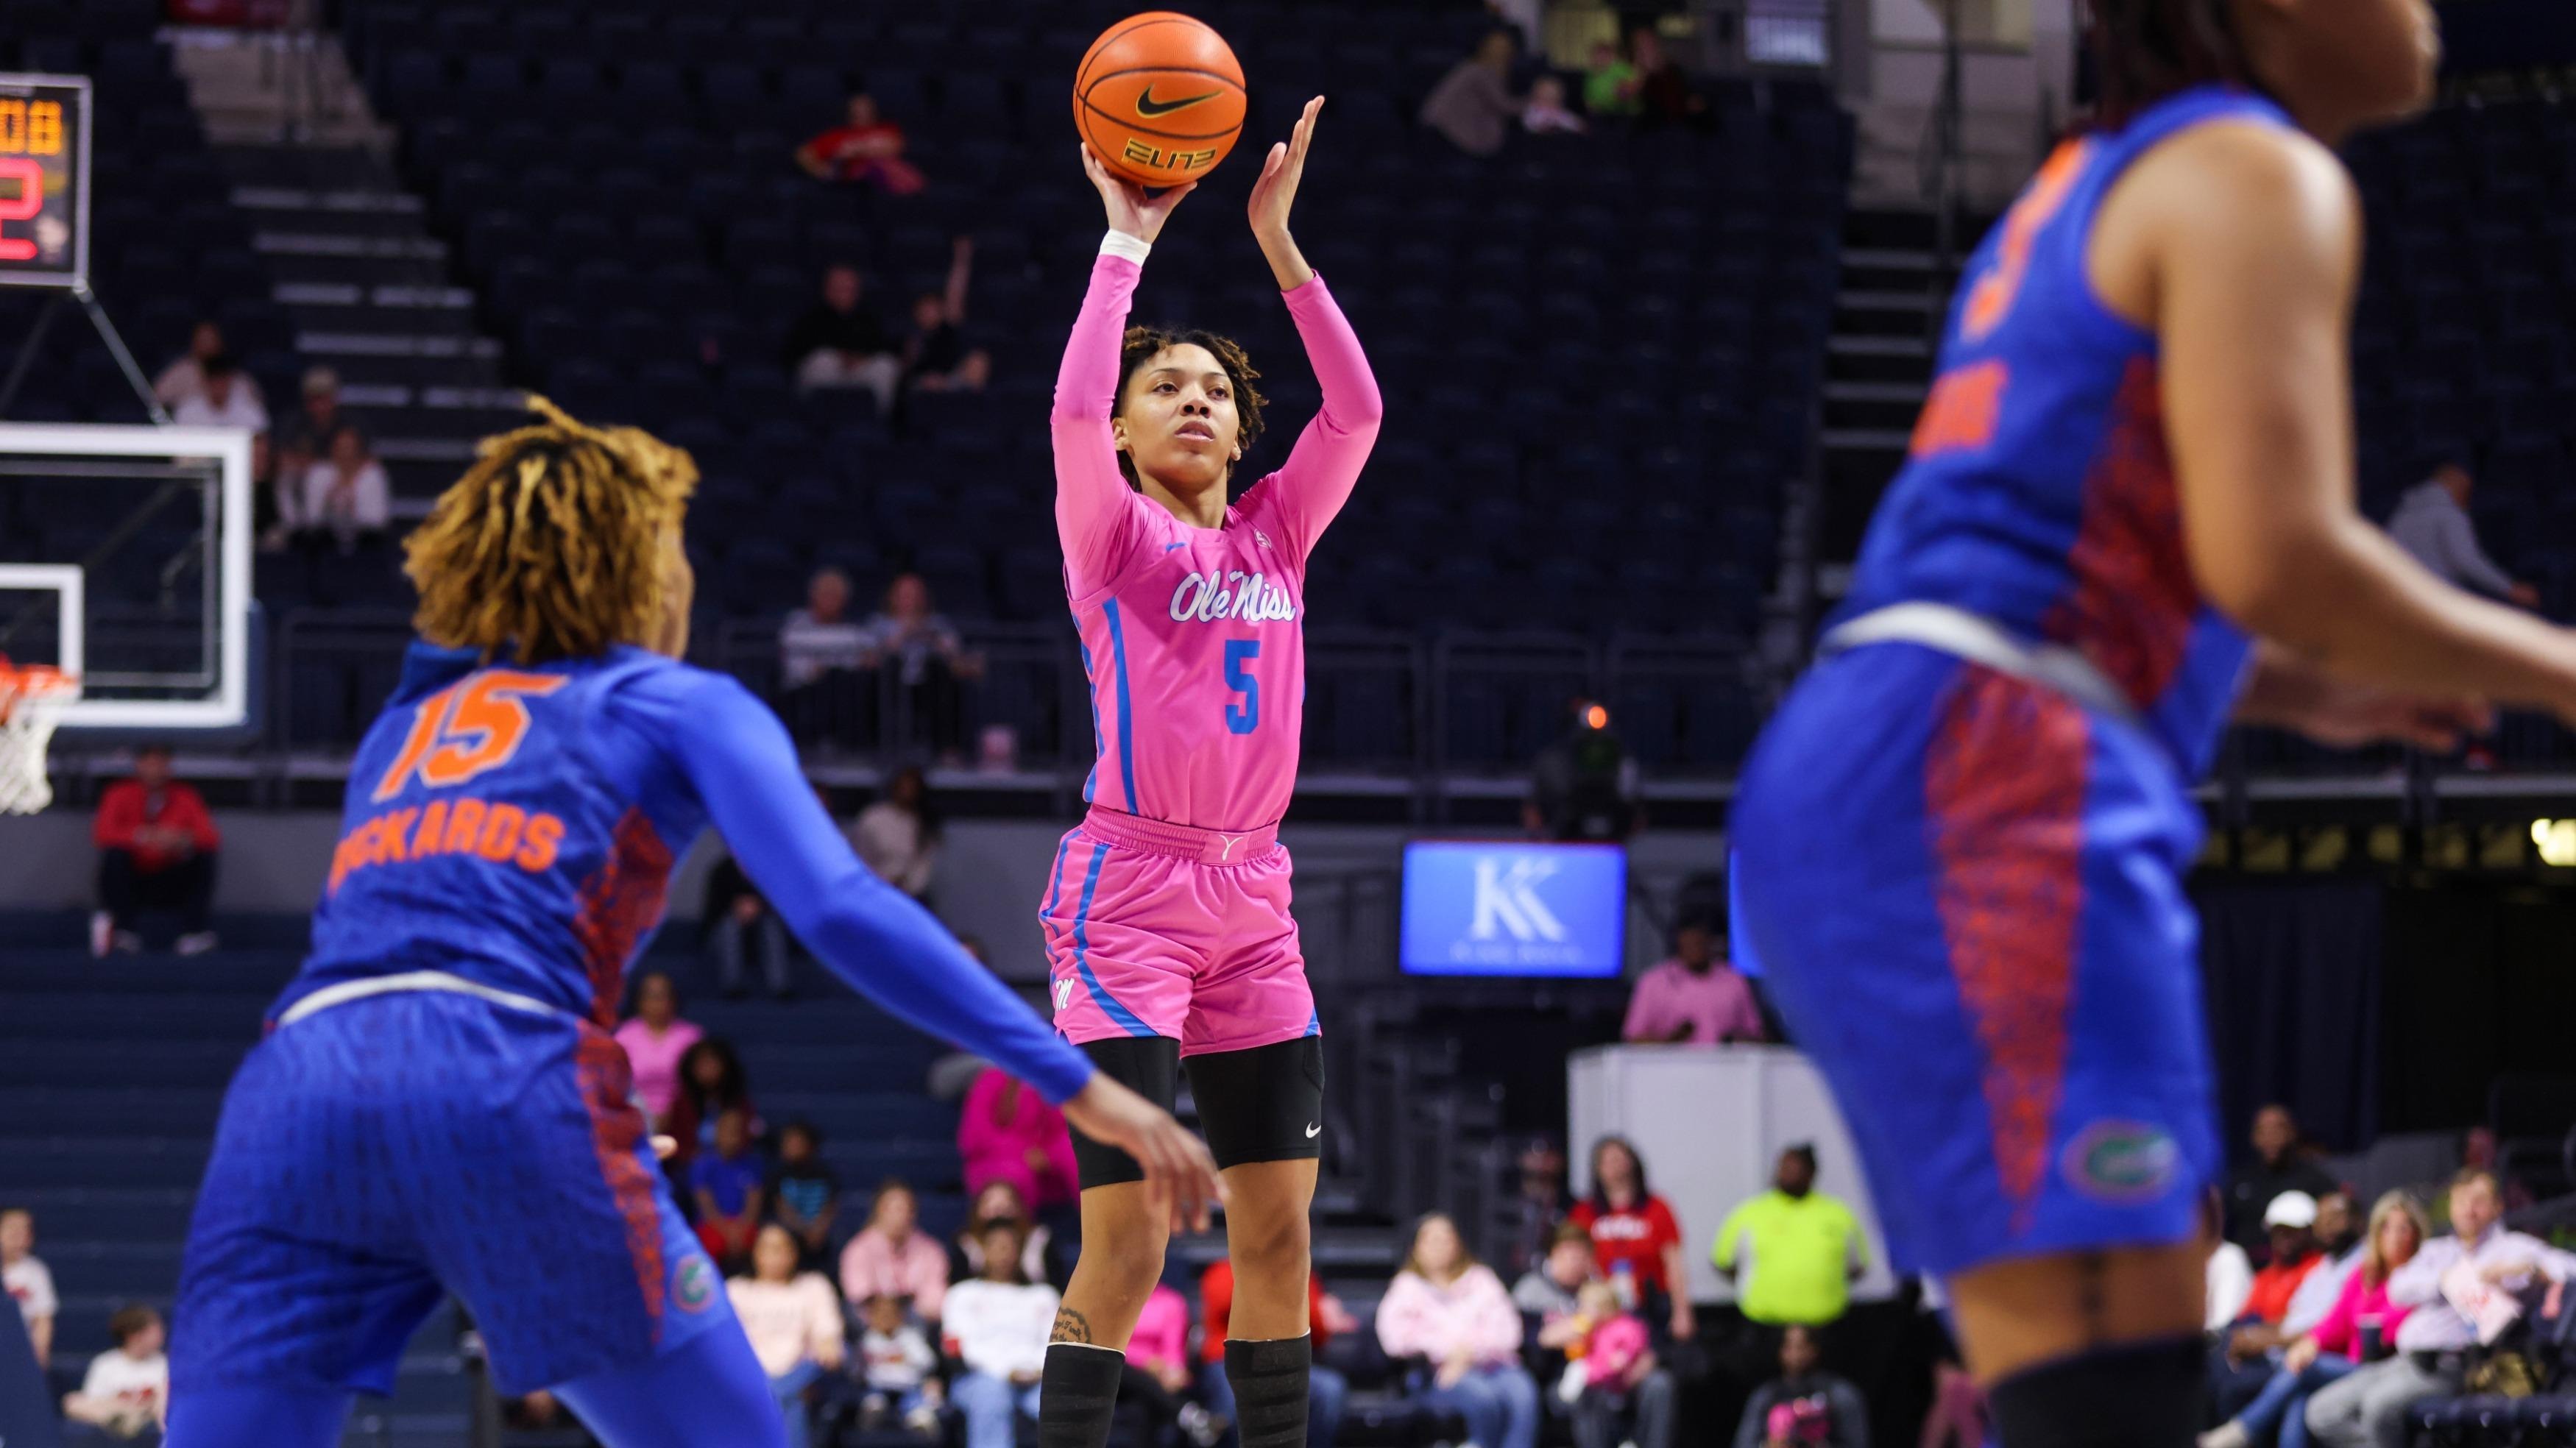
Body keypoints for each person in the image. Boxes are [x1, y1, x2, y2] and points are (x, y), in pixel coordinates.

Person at [1727, 3, 2549, 1438]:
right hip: (1980, 775)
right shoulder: (2250, 167)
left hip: (1901, 747)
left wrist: (2287, 684)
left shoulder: (2087, 177)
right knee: (2120, 1406)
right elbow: (2281, 558)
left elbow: (2066, 544)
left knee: (2087, 1395)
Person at [161, 397, 1218, 1448]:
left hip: (293, 1089)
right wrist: (1079, 1086)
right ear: (636, 566)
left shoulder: (403, 725)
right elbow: (843, 909)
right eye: (674, 546)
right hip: (496, 1067)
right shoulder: (671, 701)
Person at [1038, 98, 1381, 1448]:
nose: (1194, 399)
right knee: (1126, 1240)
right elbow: (1066, 402)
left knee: (1280, 1228)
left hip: (1254, 899)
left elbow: (1355, 409)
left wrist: (1280, 246)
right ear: (1125, 434)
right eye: (1165, 386)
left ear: (1241, 436)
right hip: (1125, 892)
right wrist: (1124, 244)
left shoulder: (1279, 536)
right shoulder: (1111, 538)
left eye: (1215, 391)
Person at [2301, 1170, 2576, 1448]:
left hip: (2457, 1367)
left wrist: (2533, 1271)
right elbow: (2399, 1287)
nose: (2469, 1210)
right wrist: (2448, 1279)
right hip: (2405, 1361)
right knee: (2322, 1412)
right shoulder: (2438, 1251)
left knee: (2378, 1409)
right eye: (2461, 1201)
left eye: (2478, 1201)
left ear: (2497, 1206)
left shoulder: (2514, 1249)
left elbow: (2566, 1266)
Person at [2199, 1192, 2427, 1448]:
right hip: (2354, 1364)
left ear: (2417, 1234)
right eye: (2386, 1228)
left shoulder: (2420, 1277)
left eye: (2403, 1229)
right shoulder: (2364, 1275)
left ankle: (2241, 1431)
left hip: (2391, 1369)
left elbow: (2403, 1329)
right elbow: (2336, 1321)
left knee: (2303, 1371)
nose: (2394, 1237)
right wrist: (2312, 1341)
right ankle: (2239, 1432)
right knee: (2300, 1399)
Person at [1376, 1213, 1540, 1448]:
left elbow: (1509, 1332)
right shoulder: (1406, 1287)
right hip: (1437, 1372)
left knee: (1524, 1395)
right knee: (1483, 1398)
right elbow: (1395, 1340)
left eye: (1446, 1238)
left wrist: (1469, 1353)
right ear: (1416, 1248)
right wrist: (1449, 1352)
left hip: (1495, 1366)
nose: (1439, 1245)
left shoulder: (1482, 1279)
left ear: (1458, 1244)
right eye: (1431, 1239)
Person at [2215, 1192, 2361, 1419]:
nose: (2328, 1226)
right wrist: (2250, 1336)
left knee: (2236, 1388)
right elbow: (2289, 1318)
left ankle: (2236, 1435)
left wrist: (2259, 1341)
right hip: (2283, 1351)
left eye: (2291, 1232)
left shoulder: (2360, 1266)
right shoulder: (2322, 1267)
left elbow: (2327, 1327)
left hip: (2315, 1355)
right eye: (2322, 1219)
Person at [1198, 1257, 1353, 1448]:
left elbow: (1318, 1331)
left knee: (1330, 1389)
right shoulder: (1223, 1269)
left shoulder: (1298, 1269)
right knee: (1235, 1398)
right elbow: (1225, 1304)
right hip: (1231, 1360)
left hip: (1284, 1363)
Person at [1715, 1146, 1870, 1330]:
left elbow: (1857, 1267)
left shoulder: (1838, 1215)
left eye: (1794, 1170)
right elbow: (1723, 1263)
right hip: (1764, 1323)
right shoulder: (1750, 1213)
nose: (1785, 1174)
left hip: (1825, 1324)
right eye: (1783, 1168)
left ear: (1811, 1173)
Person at [92, 745, 221, 957]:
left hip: (172, 878)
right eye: (149, 763)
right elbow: (103, 833)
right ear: (138, 766)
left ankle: (193, 933)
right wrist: (143, 836)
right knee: (114, 857)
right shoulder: (119, 793)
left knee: (203, 856)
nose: (155, 770)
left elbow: (210, 837)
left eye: (160, 764)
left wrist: (181, 839)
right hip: (134, 878)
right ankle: (124, 931)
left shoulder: (186, 796)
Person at [726, 1224, 845, 1448]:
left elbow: (829, 1338)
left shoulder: (813, 1286)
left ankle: (776, 1394)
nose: (775, 1255)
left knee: (793, 1390)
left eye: (782, 1248)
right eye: (768, 1248)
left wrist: (827, 1345)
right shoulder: (736, 1290)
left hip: (802, 1374)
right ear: (755, 1252)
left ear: (795, 1252)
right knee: (789, 1401)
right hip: (752, 1377)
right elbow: (726, 1344)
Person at [1567, 1137, 1696, 1344]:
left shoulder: (1657, 1208)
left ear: (1632, 1163)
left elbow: (1674, 1262)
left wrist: (1682, 1311)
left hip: (1649, 1306)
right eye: (1606, 1162)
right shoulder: (1585, 1212)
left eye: (1618, 1159)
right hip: (1601, 1307)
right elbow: (1572, 1258)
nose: (1613, 1168)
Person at [947, 1221, 1060, 1448]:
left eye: (1010, 1247)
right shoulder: (962, 1294)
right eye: (997, 1246)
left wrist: (1034, 1369)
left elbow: (1055, 1342)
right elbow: (960, 1345)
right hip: (978, 1378)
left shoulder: (1043, 1295)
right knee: (992, 1395)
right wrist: (1006, 1371)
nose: (1004, 1253)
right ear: (983, 1251)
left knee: (1063, 1404)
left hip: (1036, 1378)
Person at [2388, 461, 2539, 607]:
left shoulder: (2401, 514)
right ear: (2457, 485)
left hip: (2404, 602)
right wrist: (2509, 588)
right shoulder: (2449, 513)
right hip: (2438, 602)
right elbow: (2465, 560)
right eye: (2467, 492)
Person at [864, 574, 981, 759]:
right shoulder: (878, 623)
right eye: (904, 594)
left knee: (938, 670)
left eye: (916, 594)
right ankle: (884, 748)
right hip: (891, 684)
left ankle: (946, 749)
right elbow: (868, 661)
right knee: (890, 667)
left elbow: (958, 663)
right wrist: (900, 637)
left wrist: (938, 644)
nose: (911, 600)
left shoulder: (938, 624)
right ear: (892, 597)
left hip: (928, 685)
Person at [1621, 918, 1766, 1046]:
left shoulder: (1735, 981)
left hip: (1725, 1069)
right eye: (1689, 943)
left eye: (1700, 942)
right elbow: (1633, 1038)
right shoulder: (1652, 982)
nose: (1695, 948)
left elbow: (1757, 1036)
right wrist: (1669, 1041)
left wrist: (1734, 1041)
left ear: (1711, 942)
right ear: (1678, 944)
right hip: (1670, 1070)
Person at [1564, 1278, 1671, 1448]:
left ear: (1604, 1307)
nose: (1582, 1311)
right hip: (1602, 1389)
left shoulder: (1626, 1328)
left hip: (1625, 1385)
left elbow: (1619, 1363)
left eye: (1587, 1306)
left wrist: (1589, 1373)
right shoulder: (1591, 1330)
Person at [959, 1065, 1080, 1212]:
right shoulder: (991, 1079)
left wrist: (1048, 1156)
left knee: (1072, 1152)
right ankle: (1016, 1231)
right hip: (999, 1161)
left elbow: (1063, 1127)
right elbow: (976, 1136)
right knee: (1014, 1173)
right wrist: (1025, 1153)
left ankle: (1096, 1218)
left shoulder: (1052, 1080)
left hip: (1045, 1164)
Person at [785, 265, 902, 413]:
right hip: (829, 372)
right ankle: (817, 415)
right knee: (823, 360)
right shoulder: (811, 317)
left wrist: (859, 359)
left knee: (885, 365)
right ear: (827, 290)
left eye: (850, 288)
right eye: (839, 288)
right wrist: (840, 357)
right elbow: (796, 352)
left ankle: (876, 421)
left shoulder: (868, 319)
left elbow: (881, 347)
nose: (845, 293)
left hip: (859, 371)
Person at [779, 567, 875, 749]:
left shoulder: (851, 631)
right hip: (803, 689)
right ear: (813, 596)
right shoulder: (797, 623)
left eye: (836, 596)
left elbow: (868, 656)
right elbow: (798, 667)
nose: (830, 601)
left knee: (846, 680)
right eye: (826, 594)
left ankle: (853, 745)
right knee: (833, 678)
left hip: (844, 687)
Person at [2223, 1107, 2341, 1252]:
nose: (2270, 1137)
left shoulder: (2315, 1180)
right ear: (2254, 1137)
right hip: (2247, 1267)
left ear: (2292, 1133)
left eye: (2277, 1130)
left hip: (2303, 1267)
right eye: (2263, 1131)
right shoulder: (2239, 1182)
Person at [1126, 1282, 1229, 1448]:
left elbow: (1173, 1346)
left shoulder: (1171, 1301)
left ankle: (1190, 1417)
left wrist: (1173, 1369)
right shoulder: (1116, 1301)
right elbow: (1112, 1344)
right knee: (1131, 1373)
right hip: (1121, 1371)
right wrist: (1145, 1362)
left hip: (1157, 1375)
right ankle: (1192, 1417)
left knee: (1148, 1399)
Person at [1731, 1324, 1866, 1448]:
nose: (1795, 1355)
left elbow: (1858, 1442)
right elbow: (1744, 1442)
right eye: (1789, 1347)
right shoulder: (1765, 1395)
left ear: (1815, 1350)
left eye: (1801, 1347)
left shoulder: (1840, 1394)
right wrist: (1768, 1445)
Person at [1524, 700, 1642, 842]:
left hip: (1612, 832)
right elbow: (1534, 807)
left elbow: (1633, 804)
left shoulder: (1623, 760)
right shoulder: (1552, 761)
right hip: (1566, 834)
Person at [839, 1180, 950, 1322]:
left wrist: (904, 1313)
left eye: (905, 1209)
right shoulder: (858, 1249)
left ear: (914, 1213)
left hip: (918, 1324)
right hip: (869, 1326)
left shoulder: (931, 1251)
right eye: (892, 1209)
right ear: (877, 1210)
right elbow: (858, 1296)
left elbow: (936, 1300)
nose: (899, 1216)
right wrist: (887, 1313)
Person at [612, 971, 702, 1134]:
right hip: (634, 1116)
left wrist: (671, 1113)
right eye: (651, 996)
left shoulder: (692, 1036)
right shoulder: (624, 1035)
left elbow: (699, 1084)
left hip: (683, 1118)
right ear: (640, 1001)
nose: (658, 1002)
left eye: (663, 996)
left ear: (674, 1000)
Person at [902, 236, 992, 397]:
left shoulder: (948, 325)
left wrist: (962, 259)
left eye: (933, 308)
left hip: (951, 382)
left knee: (978, 362)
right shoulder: (913, 336)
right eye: (924, 310)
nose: (929, 313)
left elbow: (955, 295)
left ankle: (975, 411)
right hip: (920, 385)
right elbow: (908, 373)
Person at [65, 1305, 169, 1442]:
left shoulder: (165, 1363)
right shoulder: (105, 1363)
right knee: (72, 1401)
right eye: (155, 1330)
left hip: (148, 1413)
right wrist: (121, 1406)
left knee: (162, 1397)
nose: (162, 1334)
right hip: (115, 1412)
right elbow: (93, 1400)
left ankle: (134, 1422)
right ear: (135, 1335)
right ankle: (124, 1421)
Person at [795, 93, 925, 196]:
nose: (862, 112)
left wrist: (856, 151)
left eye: (866, 108)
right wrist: (820, 171)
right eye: (857, 109)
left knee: (884, 165)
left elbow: (896, 146)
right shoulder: (838, 135)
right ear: (850, 111)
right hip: (847, 182)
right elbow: (804, 154)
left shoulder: (887, 129)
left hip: (883, 183)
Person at [704, 852, 792, 999]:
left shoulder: (771, 872)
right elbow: (711, 913)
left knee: (771, 926)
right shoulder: (721, 871)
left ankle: (781, 986)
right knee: (729, 926)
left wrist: (760, 907)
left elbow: (786, 910)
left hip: (762, 932)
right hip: (723, 936)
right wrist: (734, 909)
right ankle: (732, 986)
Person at [1420, 30, 1523, 157]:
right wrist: (1537, 103)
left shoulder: (1475, 67)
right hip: (1443, 132)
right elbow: (1502, 104)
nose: (1500, 52)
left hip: (1440, 131)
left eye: (1504, 49)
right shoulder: (1479, 70)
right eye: (1497, 48)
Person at [855, 1291, 944, 1437]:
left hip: (907, 1387)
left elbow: (928, 1362)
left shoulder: (910, 1337)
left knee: (917, 1403)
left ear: (900, 1316)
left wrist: (906, 1358)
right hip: (878, 1388)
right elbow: (856, 1370)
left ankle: (920, 1422)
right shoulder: (866, 1341)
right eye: (881, 1314)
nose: (886, 1318)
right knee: (872, 1400)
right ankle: (872, 1416)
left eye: (890, 1314)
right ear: (871, 1317)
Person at [693, 1108, 768, 1273]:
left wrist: (740, 1230)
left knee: (763, 1241)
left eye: (737, 1131)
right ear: (717, 1132)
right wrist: (727, 1232)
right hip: (714, 1225)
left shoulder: (753, 1164)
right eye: (727, 1130)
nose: (732, 1136)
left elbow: (754, 1203)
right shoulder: (703, 1164)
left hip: (743, 1225)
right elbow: (706, 1206)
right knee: (706, 1242)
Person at [852, 765, 940, 906]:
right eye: (903, 786)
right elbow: (860, 858)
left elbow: (924, 865)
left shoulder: (923, 824)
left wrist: (907, 887)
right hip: (873, 892)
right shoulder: (873, 818)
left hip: (910, 897)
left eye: (912, 787)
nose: (907, 791)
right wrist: (882, 884)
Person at [668, 1036, 758, 1164]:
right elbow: (677, 1145)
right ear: (691, 1067)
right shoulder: (682, 1103)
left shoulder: (739, 1102)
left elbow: (746, 1141)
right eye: (702, 1064)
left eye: (713, 1063)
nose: (708, 1070)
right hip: (691, 1168)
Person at [953, 1180, 1056, 1289]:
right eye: (991, 1205)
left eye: (1006, 1205)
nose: (999, 1211)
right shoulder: (966, 1243)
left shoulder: (1039, 1240)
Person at [767, 1121, 840, 1270]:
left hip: (820, 1237)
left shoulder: (825, 1175)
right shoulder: (778, 1176)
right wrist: (804, 1231)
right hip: (792, 1233)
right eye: (789, 1142)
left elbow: (831, 1206)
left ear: (810, 1145)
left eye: (797, 1142)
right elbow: (781, 1207)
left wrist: (818, 1230)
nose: (793, 1146)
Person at [155, 321, 261, 413]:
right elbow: (156, 400)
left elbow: (256, 406)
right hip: (188, 428)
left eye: (211, 339)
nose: (207, 345)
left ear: (220, 342)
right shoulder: (179, 373)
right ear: (193, 342)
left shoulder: (236, 377)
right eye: (203, 340)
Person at [1, 1206, 55, 1369]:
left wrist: (38, 1354)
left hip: (19, 1349)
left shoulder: (36, 1271)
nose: (18, 1233)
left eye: (25, 1228)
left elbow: (43, 1317)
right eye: (12, 1227)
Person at [170, 353, 269, 433]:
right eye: (214, 381)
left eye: (222, 381)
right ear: (205, 382)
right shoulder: (187, 412)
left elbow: (261, 444)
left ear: (230, 381)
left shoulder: (249, 410)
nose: (218, 386)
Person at [280, 366, 343, 455]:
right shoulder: (290, 424)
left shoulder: (351, 424)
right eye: (315, 399)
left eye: (325, 399)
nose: (320, 406)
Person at [1581, 40, 1640, 119]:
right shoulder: (1591, 75)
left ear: (1611, 55)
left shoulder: (1619, 68)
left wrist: (1627, 89)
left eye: (1603, 55)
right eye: (1596, 55)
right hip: (1602, 114)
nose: (1599, 58)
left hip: (1624, 112)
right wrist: (1591, 108)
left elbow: (1636, 82)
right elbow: (1588, 99)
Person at [1522, 76, 1587, 135]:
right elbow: (1529, 122)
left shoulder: (1560, 113)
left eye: (1553, 99)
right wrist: (1542, 127)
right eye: (1543, 98)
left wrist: (1579, 126)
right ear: (1534, 98)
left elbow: (1571, 121)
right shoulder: (1533, 111)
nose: (1548, 103)